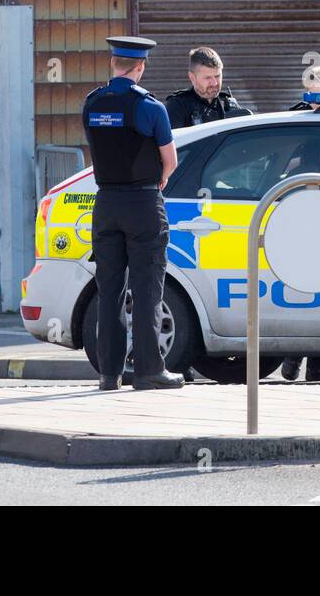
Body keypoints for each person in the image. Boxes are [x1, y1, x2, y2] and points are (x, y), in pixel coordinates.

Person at [83, 36, 182, 392]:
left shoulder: (92, 103)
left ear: (113, 63)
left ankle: (108, 374)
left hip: (106, 204)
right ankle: (149, 371)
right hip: (142, 204)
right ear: (140, 66)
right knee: (147, 289)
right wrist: (159, 179)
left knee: (109, 291)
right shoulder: (151, 107)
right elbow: (170, 160)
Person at [280, 65, 320, 384]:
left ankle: (319, 364)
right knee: (303, 286)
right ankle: (294, 352)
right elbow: (279, 165)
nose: (319, 99)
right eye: (313, 93)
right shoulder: (296, 120)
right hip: (302, 213)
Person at [165, 47, 253, 128]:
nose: (214, 83)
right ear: (192, 78)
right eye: (208, 78)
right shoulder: (178, 105)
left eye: (217, 76)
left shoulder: (228, 103)